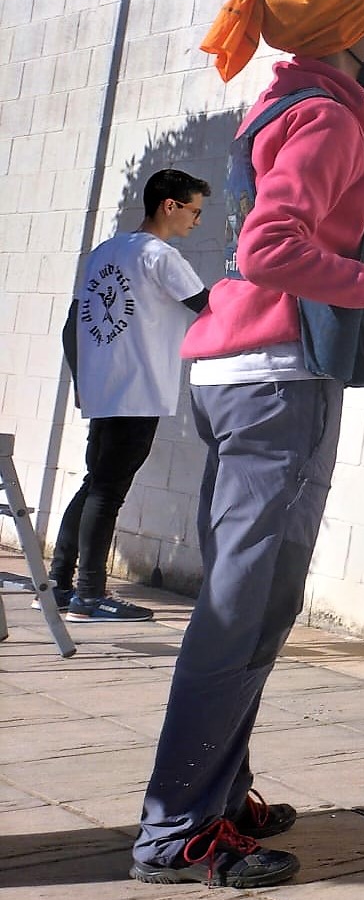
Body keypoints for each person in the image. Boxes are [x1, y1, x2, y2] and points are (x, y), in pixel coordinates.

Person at [130, 0, 364, 890]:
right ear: (348, 36)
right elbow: (271, 249)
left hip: (238, 376)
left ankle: (218, 792)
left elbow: (295, 229)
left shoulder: (282, 106)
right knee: (242, 614)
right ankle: (177, 829)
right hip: (278, 381)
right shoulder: (327, 116)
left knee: (249, 605)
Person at [45, 169, 212, 622]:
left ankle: (59, 585)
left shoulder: (104, 252)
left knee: (95, 484)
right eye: (194, 211)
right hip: (139, 390)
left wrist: (85, 383)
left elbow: (72, 325)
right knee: (108, 491)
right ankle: (89, 594)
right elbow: (209, 307)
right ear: (170, 205)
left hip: (105, 389)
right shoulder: (161, 256)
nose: (197, 221)